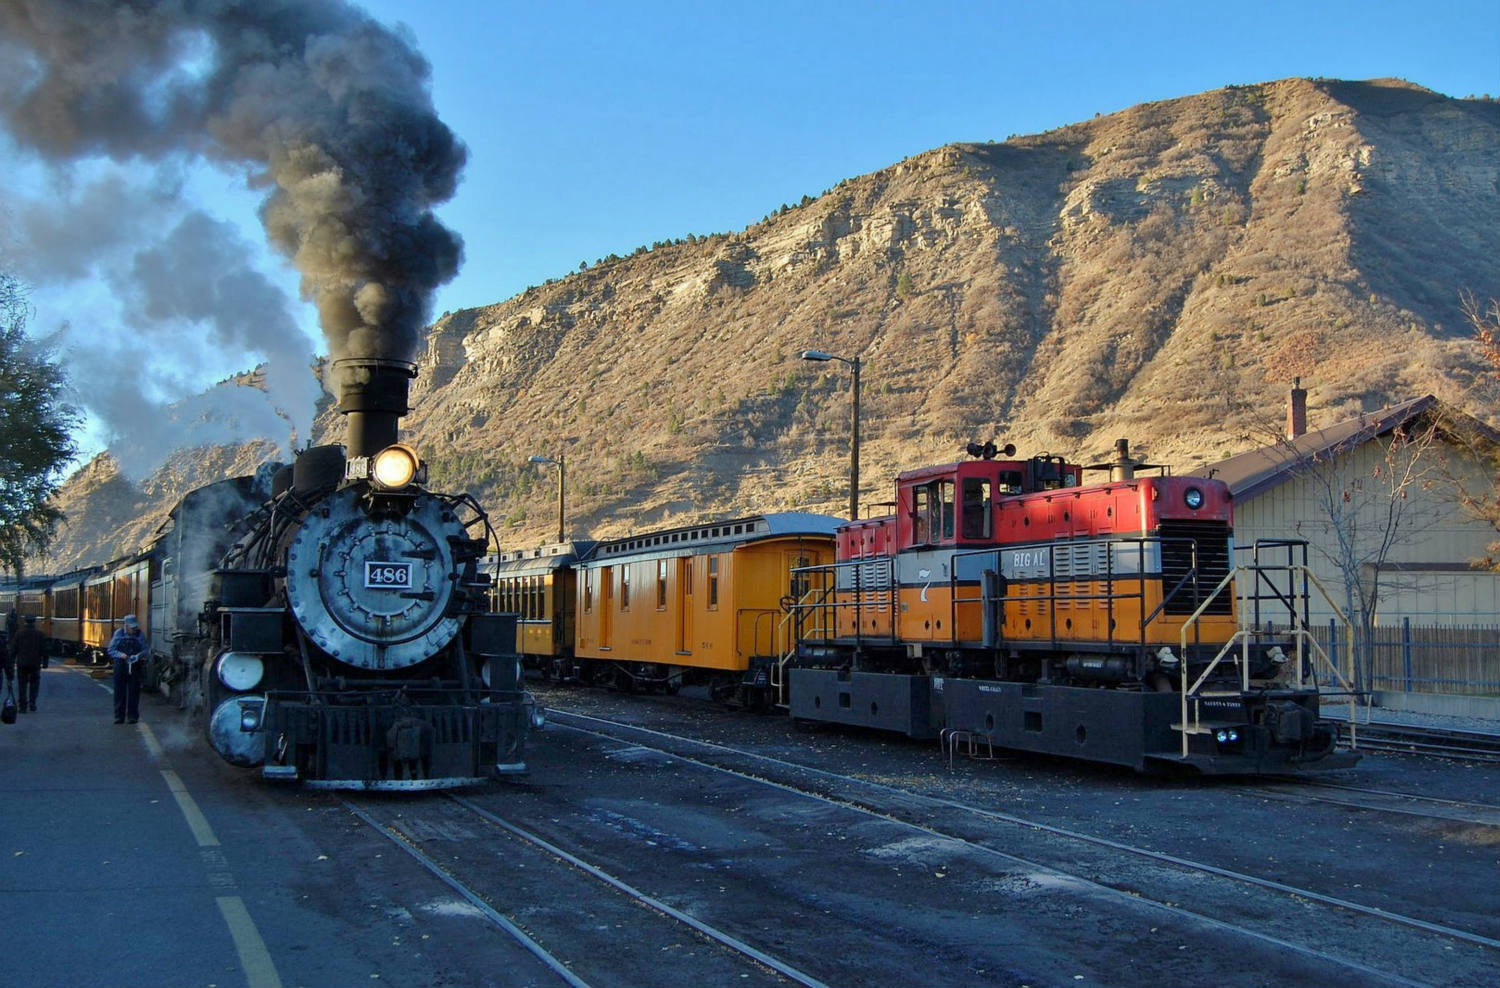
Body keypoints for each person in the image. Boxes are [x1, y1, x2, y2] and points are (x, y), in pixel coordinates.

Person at [107, 614, 148, 724]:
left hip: (135, 665)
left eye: (135, 627)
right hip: (120, 664)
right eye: (132, 627)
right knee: (119, 691)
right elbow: (111, 650)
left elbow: (146, 650)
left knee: (134, 691)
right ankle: (119, 716)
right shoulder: (118, 634)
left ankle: (132, 716)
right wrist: (121, 655)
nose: (134, 630)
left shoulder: (140, 635)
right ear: (126, 626)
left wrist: (138, 656)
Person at [11, 614, 47, 713]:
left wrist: (11, 662)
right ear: (34, 622)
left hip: (22, 664)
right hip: (35, 664)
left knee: (22, 685)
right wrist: (45, 662)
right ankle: (32, 702)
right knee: (34, 684)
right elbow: (44, 649)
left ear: (25, 622)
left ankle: (22, 706)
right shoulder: (39, 634)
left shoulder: (19, 634)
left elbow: (13, 649)